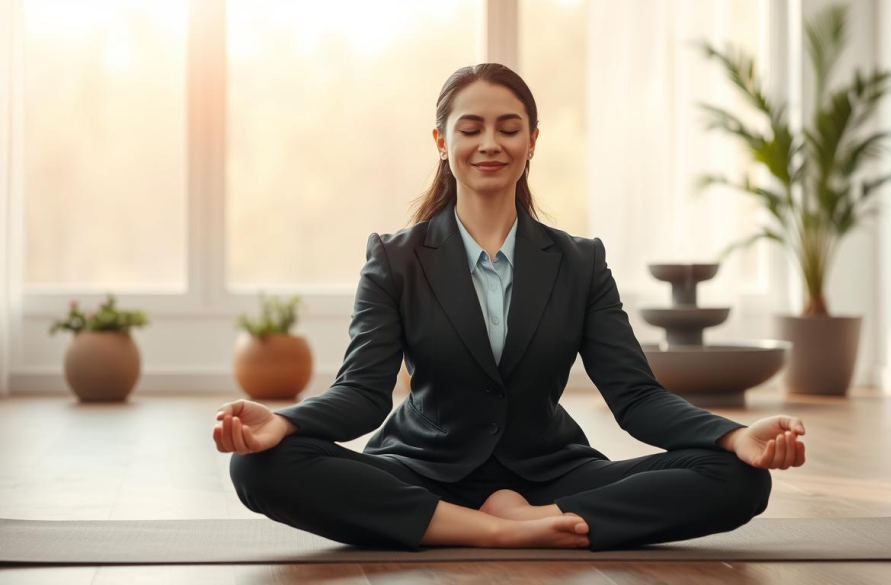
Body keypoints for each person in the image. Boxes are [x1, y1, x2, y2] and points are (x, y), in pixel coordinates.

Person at [214, 63, 806, 553]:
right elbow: (363, 394)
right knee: (258, 468)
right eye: (470, 129)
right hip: (423, 468)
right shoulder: (396, 258)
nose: (490, 144)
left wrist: (734, 437)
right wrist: (285, 422)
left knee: (739, 481)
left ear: (532, 140)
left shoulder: (580, 262)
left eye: (508, 128)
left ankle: (532, 514)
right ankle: (499, 528)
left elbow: (636, 398)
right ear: (442, 143)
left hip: (550, 471)